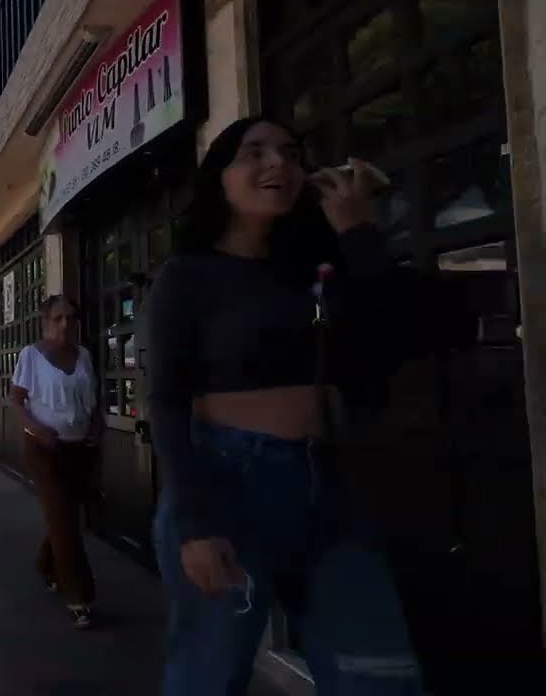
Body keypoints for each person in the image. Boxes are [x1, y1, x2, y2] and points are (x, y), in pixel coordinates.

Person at [142, 116, 450, 694]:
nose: (277, 163)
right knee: (209, 677)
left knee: (381, 677)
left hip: (330, 487)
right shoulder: (187, 277)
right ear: (221, 180)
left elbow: (405, 329)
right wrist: (194, 522)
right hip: (230, 484)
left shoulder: (318, 269)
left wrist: (358, 232)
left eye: (289, 152)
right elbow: (164, 401)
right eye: (253, 153)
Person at [10, 295, 103, 629]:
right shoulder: (31, 356)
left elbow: (91, 400)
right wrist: (34, 428)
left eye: (71, 318)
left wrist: (95, 426)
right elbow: (17, 400)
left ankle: (45, 563)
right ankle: (80, 597)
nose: (66, 325)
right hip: (43, 449)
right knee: (64, 520)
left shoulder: (84, 357)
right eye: (58, 318)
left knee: (64, 516)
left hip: (80, 448)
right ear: (45, 321)